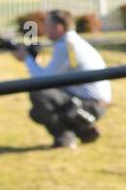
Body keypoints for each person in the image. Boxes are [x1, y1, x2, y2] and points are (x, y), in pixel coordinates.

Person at [9, 9, 112, 149]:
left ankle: (67, 138)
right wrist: (33, 58)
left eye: (46, 25)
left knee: (39, 95)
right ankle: (83, 130)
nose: (44, 29)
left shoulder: (65, 46)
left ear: (59, 27)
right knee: (36, 112)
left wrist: (27, 58)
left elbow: (43, 81)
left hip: (90, 106)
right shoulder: (72, 42)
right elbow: (50, 76)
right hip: (92, 103)